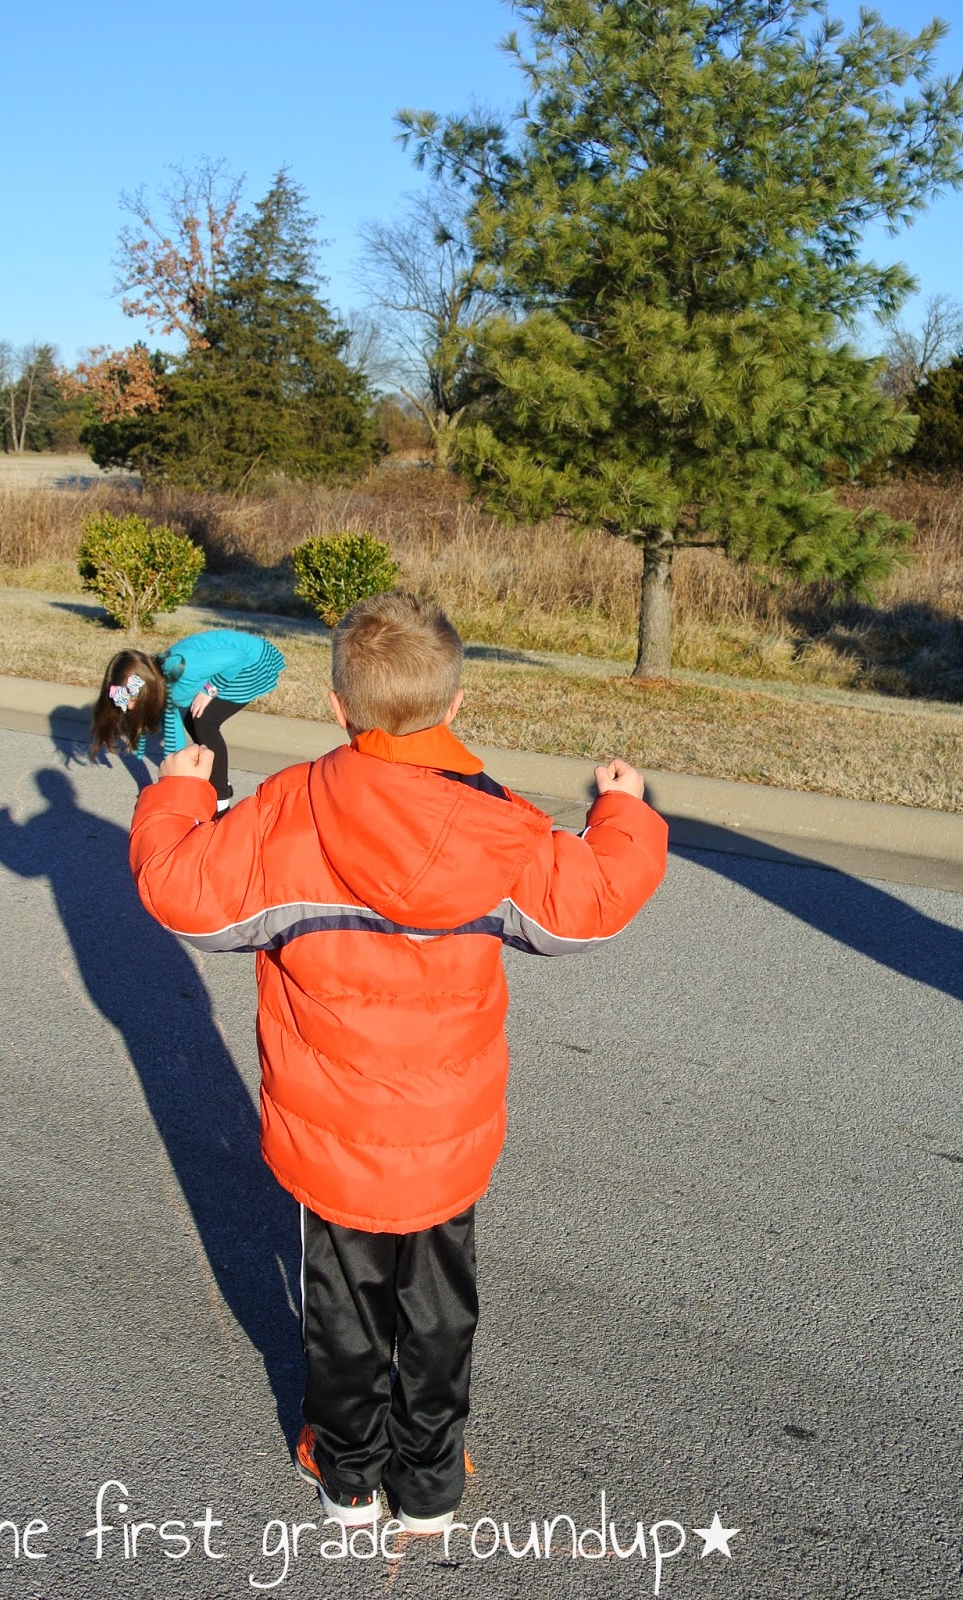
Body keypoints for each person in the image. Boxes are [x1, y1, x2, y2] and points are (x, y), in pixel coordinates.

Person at [128, 592, 668, 1534]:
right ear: (453, 706)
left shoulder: (288, 808)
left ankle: (346, 1473)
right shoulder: (500, 823)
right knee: (439, 1303)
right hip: (445, 1136)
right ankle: (428, 1477)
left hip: (331, 1135)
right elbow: (592, 901)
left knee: (340, 1306)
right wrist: (621, 810)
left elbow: (184, 899)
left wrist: (180, 787)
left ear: (338, 707)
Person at [90, 628, 285, 812]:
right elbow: (175, 738)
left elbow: (237, 657)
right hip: (234, 663)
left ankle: (221, 803)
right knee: (192, 721)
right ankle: (215, 775)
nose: (130, 707)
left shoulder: (183, 669)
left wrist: (210, 690)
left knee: (204, 722)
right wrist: (172, 783)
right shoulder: (162, 687)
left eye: (132, 699)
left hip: (253, 662)